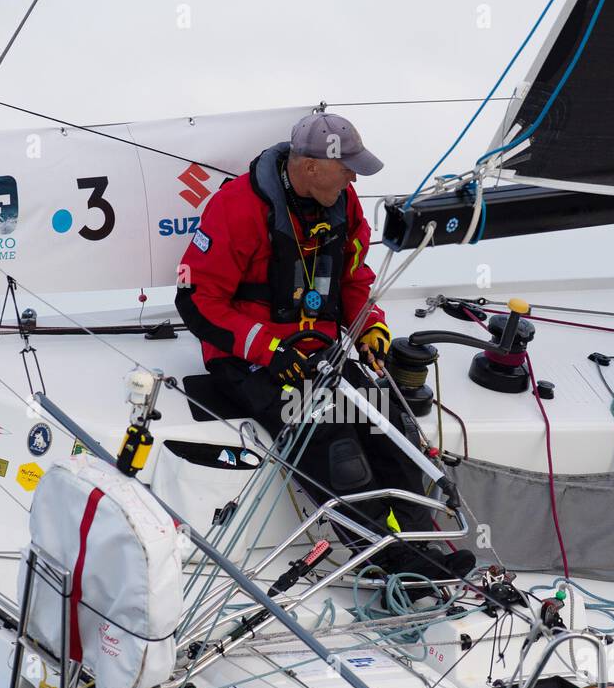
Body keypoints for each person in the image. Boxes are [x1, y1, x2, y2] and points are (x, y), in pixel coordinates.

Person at [174, 111, 474, 582]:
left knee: (389, 428)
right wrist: (270, 349)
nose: (355, 178)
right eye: (347, 168)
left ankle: (421, 546)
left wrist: (370, 327)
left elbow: (353, 280)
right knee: (331, 441)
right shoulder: (236, 208)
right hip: (251, 360)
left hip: (320, 355)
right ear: (311, 166)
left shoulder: (343, 205)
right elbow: (196, 300)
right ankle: (384, 562)